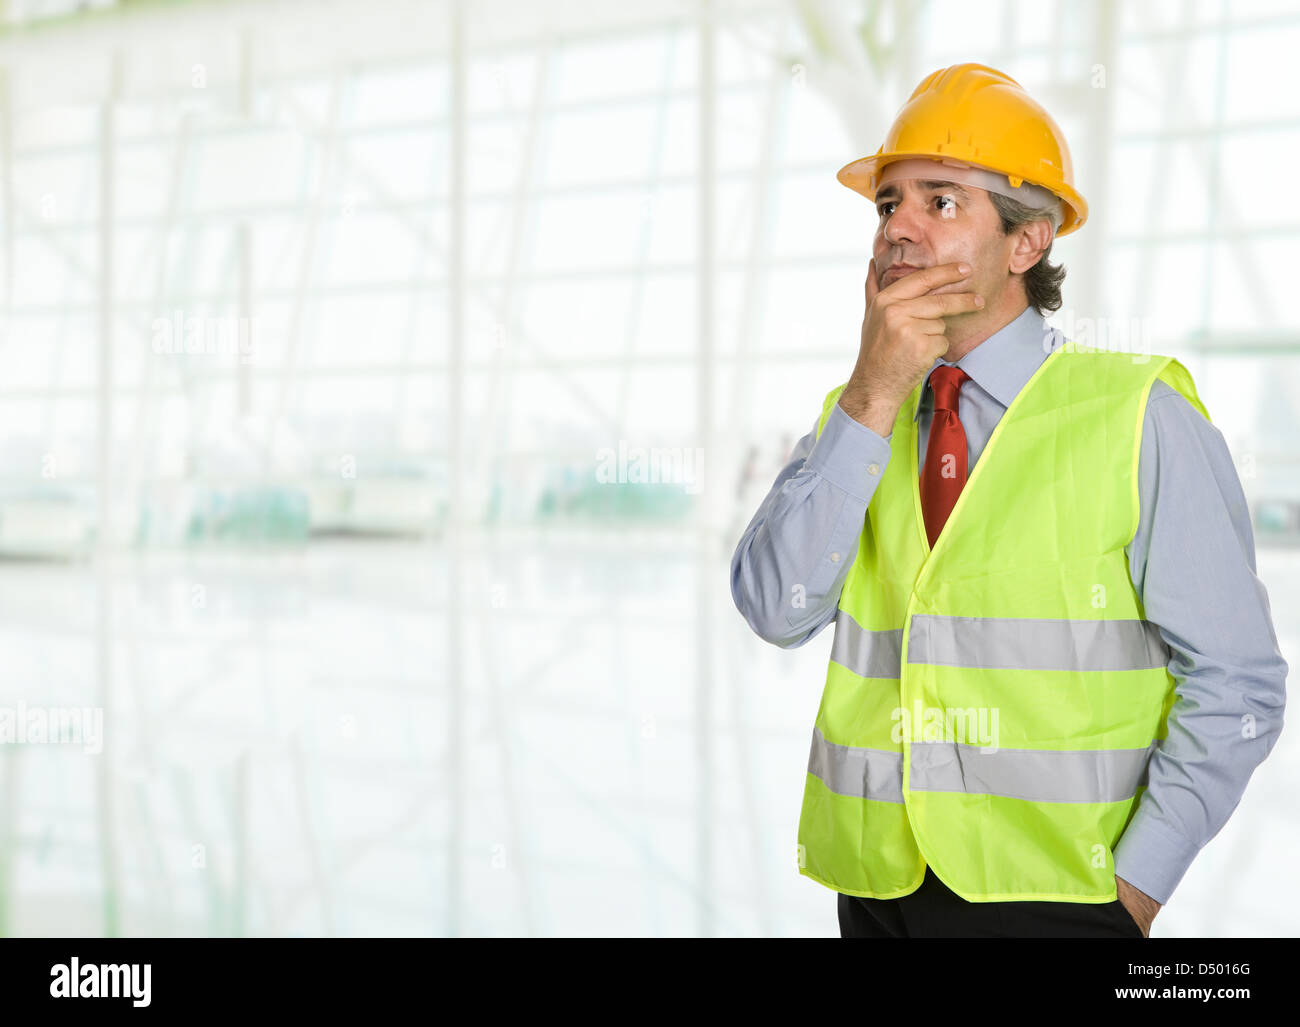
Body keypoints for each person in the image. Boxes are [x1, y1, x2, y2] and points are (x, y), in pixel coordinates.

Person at [729, 63, 1288, 938]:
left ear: (1028, 242)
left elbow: (1238, 680)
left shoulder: (1140, 414)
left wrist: (1133, 890)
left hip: (1063, 904)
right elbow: (773, 609)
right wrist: (872, 396)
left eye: (941, 202)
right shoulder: (861, 418)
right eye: (888, 206)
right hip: (875, 892)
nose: (898, 232)